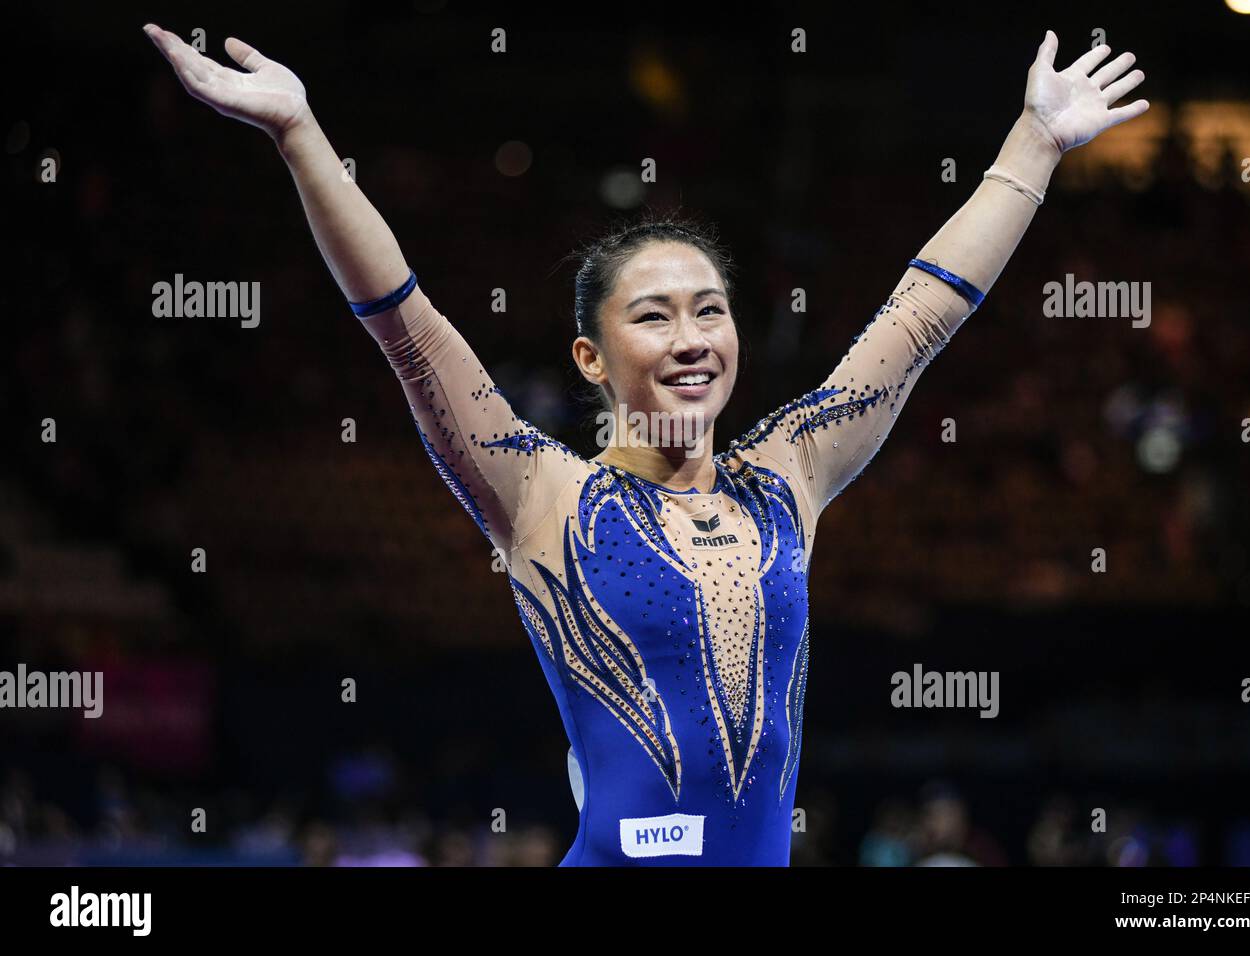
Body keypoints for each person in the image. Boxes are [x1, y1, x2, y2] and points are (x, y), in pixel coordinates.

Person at [143, 23, 1147, 865]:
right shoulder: (544, 495)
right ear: (589, 354)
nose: (693, 338)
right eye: (655, 316)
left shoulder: (786, 474)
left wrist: (1033, 142)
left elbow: (920, 315)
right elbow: (405, 326)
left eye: (709, 310)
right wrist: (299, 133)